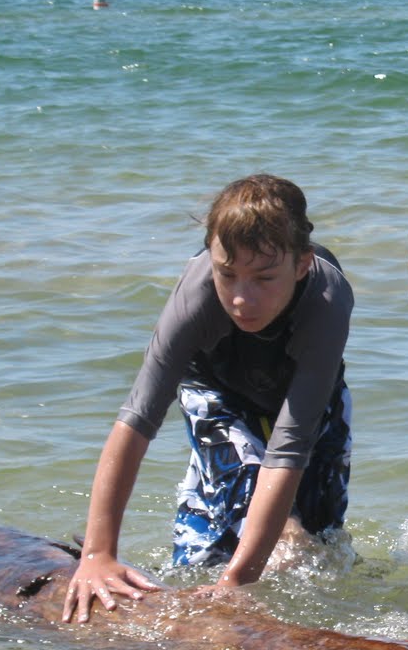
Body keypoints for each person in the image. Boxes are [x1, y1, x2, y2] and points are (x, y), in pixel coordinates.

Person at [62, 173, 353, 623]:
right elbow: (137, 420)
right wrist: (98, 555)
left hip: (305, 393)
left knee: (322, 545)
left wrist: (237, 584)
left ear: (302, 265)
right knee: (210, 543)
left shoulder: (328, 298)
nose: (241, 297)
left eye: (264, 277)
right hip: (214, 385)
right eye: (227, 273)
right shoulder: (197, 294)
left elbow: (290, 447)